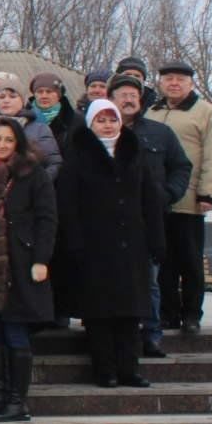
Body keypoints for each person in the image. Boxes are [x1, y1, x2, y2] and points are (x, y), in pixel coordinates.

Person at [57, 101, 168, 389]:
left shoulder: (134, 154)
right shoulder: (78, 156)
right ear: (91, 125)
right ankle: (105, 370)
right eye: (101, 120)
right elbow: (68, 204)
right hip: (94, 247)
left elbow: (151, 200)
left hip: (131, 244)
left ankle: (130, 369)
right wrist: (75, 242)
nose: (107, 125)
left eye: (112, 119)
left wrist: (156, 240)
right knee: (100, 314)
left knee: (130, 313)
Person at [0, 117, 57, 423]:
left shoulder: (33, 174)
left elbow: (47, 219)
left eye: (8, 140)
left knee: (15, 330)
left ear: (18, 142)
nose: (1, 145)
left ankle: (17, 401)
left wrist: (41, 259)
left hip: (19, 262)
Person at [109, 74, 192, 357]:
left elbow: (181, 167)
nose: (129, 99)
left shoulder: (160, 133)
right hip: (109, 222)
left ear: (141, 100)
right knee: (111, 279)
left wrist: (166, 195)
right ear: (111, 100)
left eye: (134, 94)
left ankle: (151, 334)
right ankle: (114, 336)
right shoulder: (99, 132)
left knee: (149, 279)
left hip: (148, 221)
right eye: (123, 94)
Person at [147, 60, 212, 336]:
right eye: (168, 79)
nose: (174, 84)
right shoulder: (153, 112)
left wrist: (208, 193)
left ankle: (191, 313)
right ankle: (168, 312)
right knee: (163, 259)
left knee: (190, 260)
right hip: (158, 201)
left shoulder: (205, 113)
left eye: (180, 79)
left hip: (190, 200)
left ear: (191, 83)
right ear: (161, 83)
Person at [0, 73, 62, 179]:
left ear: (23, 101)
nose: (6, 100)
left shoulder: (39, 129)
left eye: (12, 96)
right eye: (1, 96)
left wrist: (38, 186)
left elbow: (54, 163)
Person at [28, 72, 79, 144]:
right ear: (34, 94)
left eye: (49, 92)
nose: (44, 96)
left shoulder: (74, 119)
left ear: (59, 95)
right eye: (40, 92)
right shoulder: (23, 117)